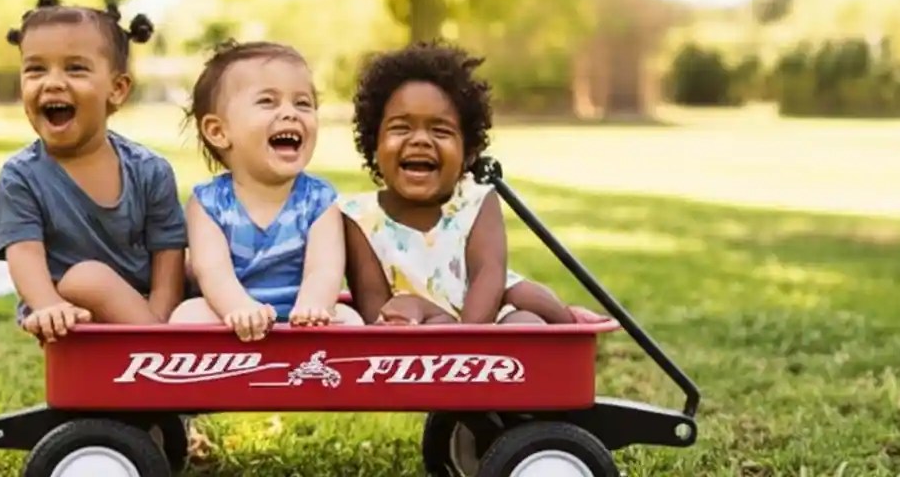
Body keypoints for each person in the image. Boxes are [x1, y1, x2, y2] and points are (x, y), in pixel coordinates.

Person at [339, 41, 605, 326]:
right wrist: (427, 318)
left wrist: (466, 339)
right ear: (373, 143)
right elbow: (374, 309)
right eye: (401, 128)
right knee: (418, 315)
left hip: (486, 319)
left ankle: (570, 331)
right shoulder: (358, 217)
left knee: (527, 308)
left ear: (468, 151)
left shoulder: (475, 198)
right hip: (413, 331)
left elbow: (489, 273)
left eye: (440, 130)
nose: (419, 140)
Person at [0, 0, 187, 343]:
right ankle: (164, 353)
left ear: (117, 89)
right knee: (86, 278)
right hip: (75, 316)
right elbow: (25, 254)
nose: (52, 82)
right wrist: (48, 305)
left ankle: (159, 344)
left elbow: (168, 255)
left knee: (203, 267)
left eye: (75, 68)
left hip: (147, 309)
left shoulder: (150, 170)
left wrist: (159, 315)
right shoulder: (21, 177)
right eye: (36, 69)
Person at [169, 40, 363, 341]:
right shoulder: (207, 204)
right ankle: (211, 383)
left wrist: (314, 306)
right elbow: (212, 270)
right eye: (268, 102)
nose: (291, 114)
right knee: (187, 316)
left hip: (302, 314)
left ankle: (325, 380)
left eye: (303, 103)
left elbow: (324, 269)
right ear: (219, 132)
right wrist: (239, 308)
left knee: (351, 319)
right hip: (232, 312)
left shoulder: (319, 200)